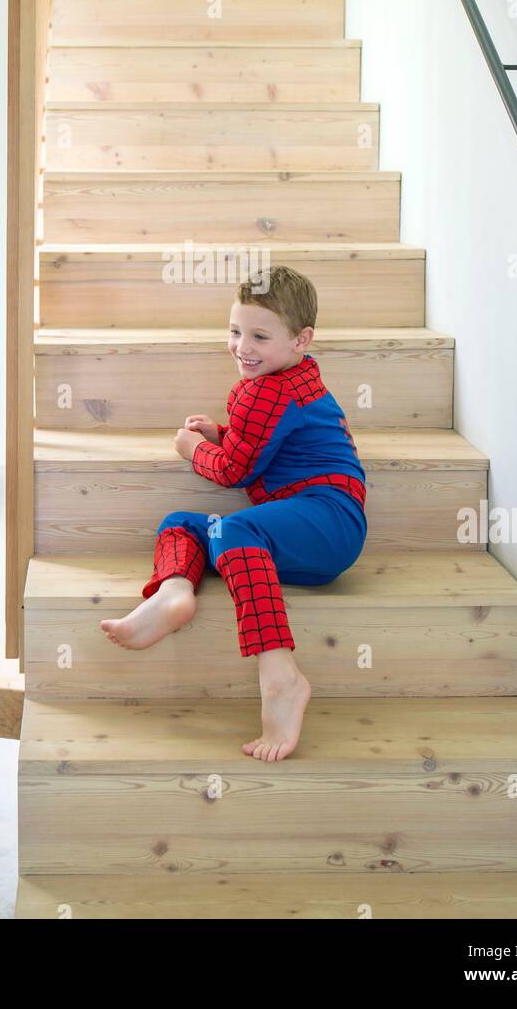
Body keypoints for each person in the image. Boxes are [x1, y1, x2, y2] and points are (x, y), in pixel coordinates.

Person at [100, 265, 368, 761]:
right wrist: (224, 434)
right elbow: (270, 446)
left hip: (330, 519)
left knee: (234, 530)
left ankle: (280, 673)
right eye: (235, 331)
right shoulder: (284, 378)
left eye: (260, 336)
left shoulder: (269, 390)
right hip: (304, 527)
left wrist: (191, 450)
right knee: (180, 522)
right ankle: (175, 591)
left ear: (300, 340)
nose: (243, 346)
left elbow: (236, 472)